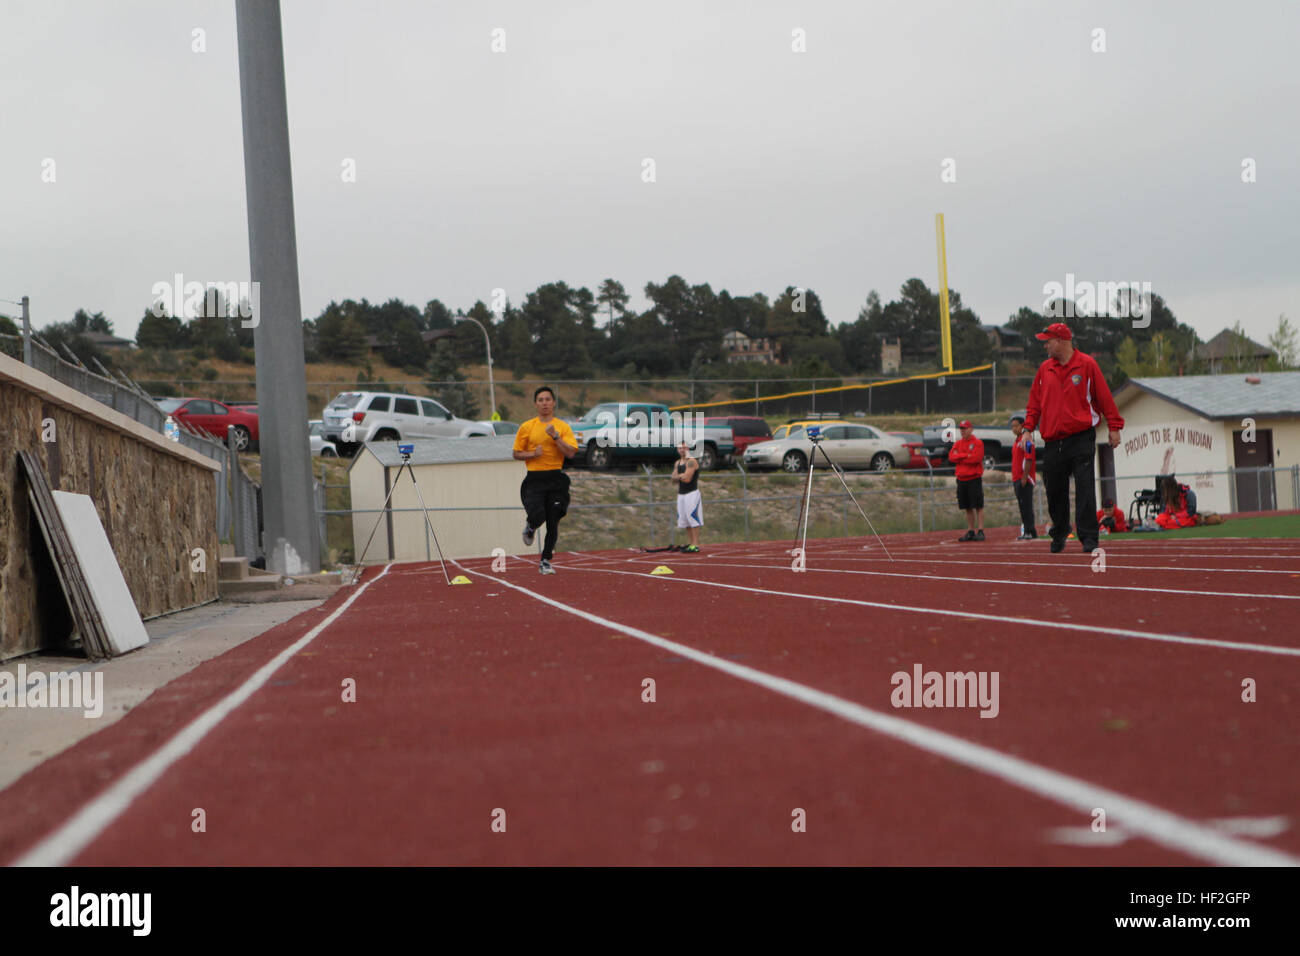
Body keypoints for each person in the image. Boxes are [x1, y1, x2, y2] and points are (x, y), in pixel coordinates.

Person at [1022, 322, 1125, 555]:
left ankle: (1089, 537)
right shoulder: (1044, 370)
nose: (1045, 346)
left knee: (1085, 487)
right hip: (1052, 441)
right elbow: (1034, 404)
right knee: (1054, 490)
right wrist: (1028, 428)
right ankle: (1060, 531)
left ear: (1061, 341)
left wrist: (1114, 426)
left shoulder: (1087, 365)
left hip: (1080, 438)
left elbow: (1104, 398)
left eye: (1048, 341)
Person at [512, 386, 577, 574]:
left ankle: (545, 560)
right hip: (535, 478)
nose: (545, 403)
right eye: (540, 400)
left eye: (548, 399)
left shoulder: (562, 427)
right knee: (537, 513)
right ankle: (531, 526)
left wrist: (555, 437)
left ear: (554, 403)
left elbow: (571, 452)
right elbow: (516, 453)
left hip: (556, 477)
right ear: (535, 404)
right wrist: (533, 453)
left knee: (553, 519)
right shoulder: (527, 427)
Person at [948, 420, 985, 541]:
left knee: (978, 505)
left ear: (971, 429)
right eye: (961, 429)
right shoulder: (958, 443)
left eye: (965, 428)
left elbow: (976, 458)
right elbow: (952, 457)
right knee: (967, 506)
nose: (963, 431)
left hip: (974, 478)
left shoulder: (978, 443)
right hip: (961, 479)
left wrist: (961, 457)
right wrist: (965, 455)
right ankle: (970, 530)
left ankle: (980, 530)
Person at [672, 440, 703, 552]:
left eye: (684, 448)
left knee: (693, 518)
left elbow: (687, 479)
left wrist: (680, 476)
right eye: (680, 448)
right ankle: (691, 543)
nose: (681, 450)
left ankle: (695, 544)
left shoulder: (691, 461)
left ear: (688, 449)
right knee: (685, 520)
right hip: (681, 495)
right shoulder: (677, 463)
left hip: (692, 494)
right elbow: (673, 479)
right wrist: (681, 476)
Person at [1010, 416, 1037, 541]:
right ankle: (1029, 530)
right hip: (1017, 478)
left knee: (1026, 505)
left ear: (1022, 426)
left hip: (1024, 478)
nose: (1014, 428)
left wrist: (1025, 476)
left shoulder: (1026, 440)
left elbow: (1029, 457)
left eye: (1016, 425)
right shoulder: (1016, 441)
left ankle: (1029, 531)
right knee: (1022, 506)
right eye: (1012, 426)